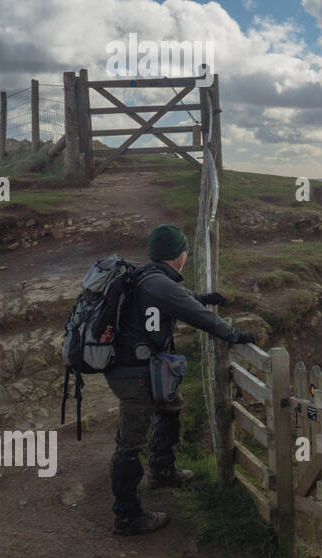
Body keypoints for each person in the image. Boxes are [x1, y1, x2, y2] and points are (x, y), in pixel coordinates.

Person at [105, 224, 256, 536]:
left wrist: (203, 296)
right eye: (185, 250)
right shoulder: (160, 284)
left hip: (138, 367)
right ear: (178, 255)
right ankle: (127, 516)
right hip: (133, 374)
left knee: (171, 407)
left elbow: (181, 296)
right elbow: (200, 317)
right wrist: (235, 335)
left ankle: (162, 470)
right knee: (130, 442)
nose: (187, 255)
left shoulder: (148, 274)